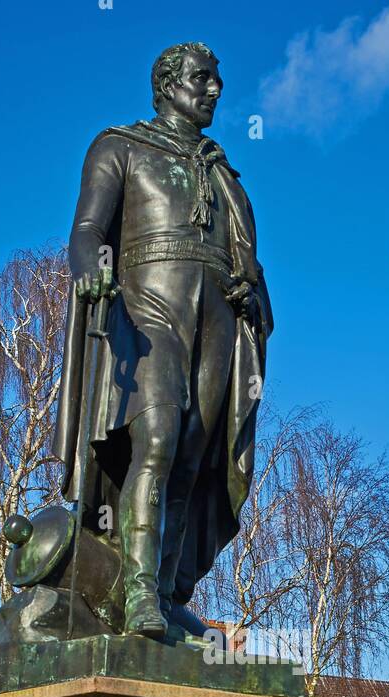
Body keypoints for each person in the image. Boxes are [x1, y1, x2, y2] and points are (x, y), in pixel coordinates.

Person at [53, 41, 272, 639]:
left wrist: (252, 294)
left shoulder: (225, 176)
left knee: (193, 461)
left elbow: (249, 265)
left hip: (217, 324)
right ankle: (139, 594)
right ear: (167, 84)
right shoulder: (120, 146)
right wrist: (92, 265)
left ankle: (169, 591)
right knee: (157, 439)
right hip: (146, 311)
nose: (215, 89)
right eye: (203, 78)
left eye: (217, 80)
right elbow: (88, 228)